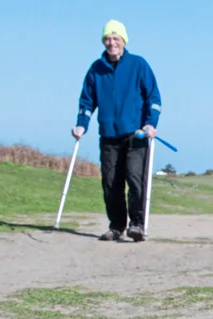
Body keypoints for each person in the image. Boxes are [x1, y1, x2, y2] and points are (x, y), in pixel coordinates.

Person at [72, 20, 162, 242]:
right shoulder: (96, 69)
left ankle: (137, 225)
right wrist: (82, 123)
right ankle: (116, 226)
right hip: (109, 136)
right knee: (111, 183)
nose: (112, 43)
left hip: (136, 134)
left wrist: (151, 123)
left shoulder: (138, 64)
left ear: (123, 40)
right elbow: (86, 101)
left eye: (116, 38)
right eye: (107, 39)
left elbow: (154, 98)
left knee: (134, 179)